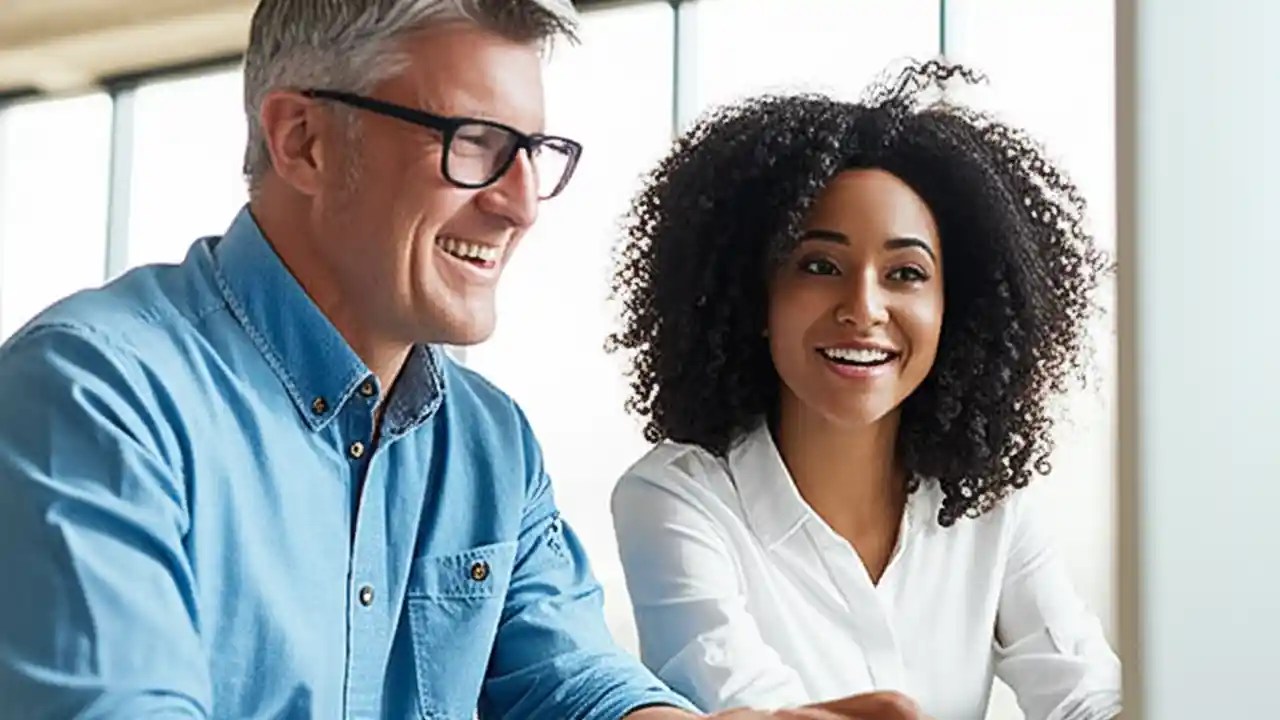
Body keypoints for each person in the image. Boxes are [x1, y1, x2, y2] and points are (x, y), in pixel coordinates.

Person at [0, 1, 927, 719]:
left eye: (534, 152)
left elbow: (569, 680)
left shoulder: (489, 446)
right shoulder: (94, 398)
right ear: (303, 142)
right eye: (474, 145)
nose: (520, 205)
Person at [608, 61, 1122, 720]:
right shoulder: (676, 498)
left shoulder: (990, 509)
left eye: (906, 273)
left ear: (955, 309)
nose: (863, 308)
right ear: (756, 297)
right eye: (820, 265)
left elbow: (1087, 694)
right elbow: (750, 706)